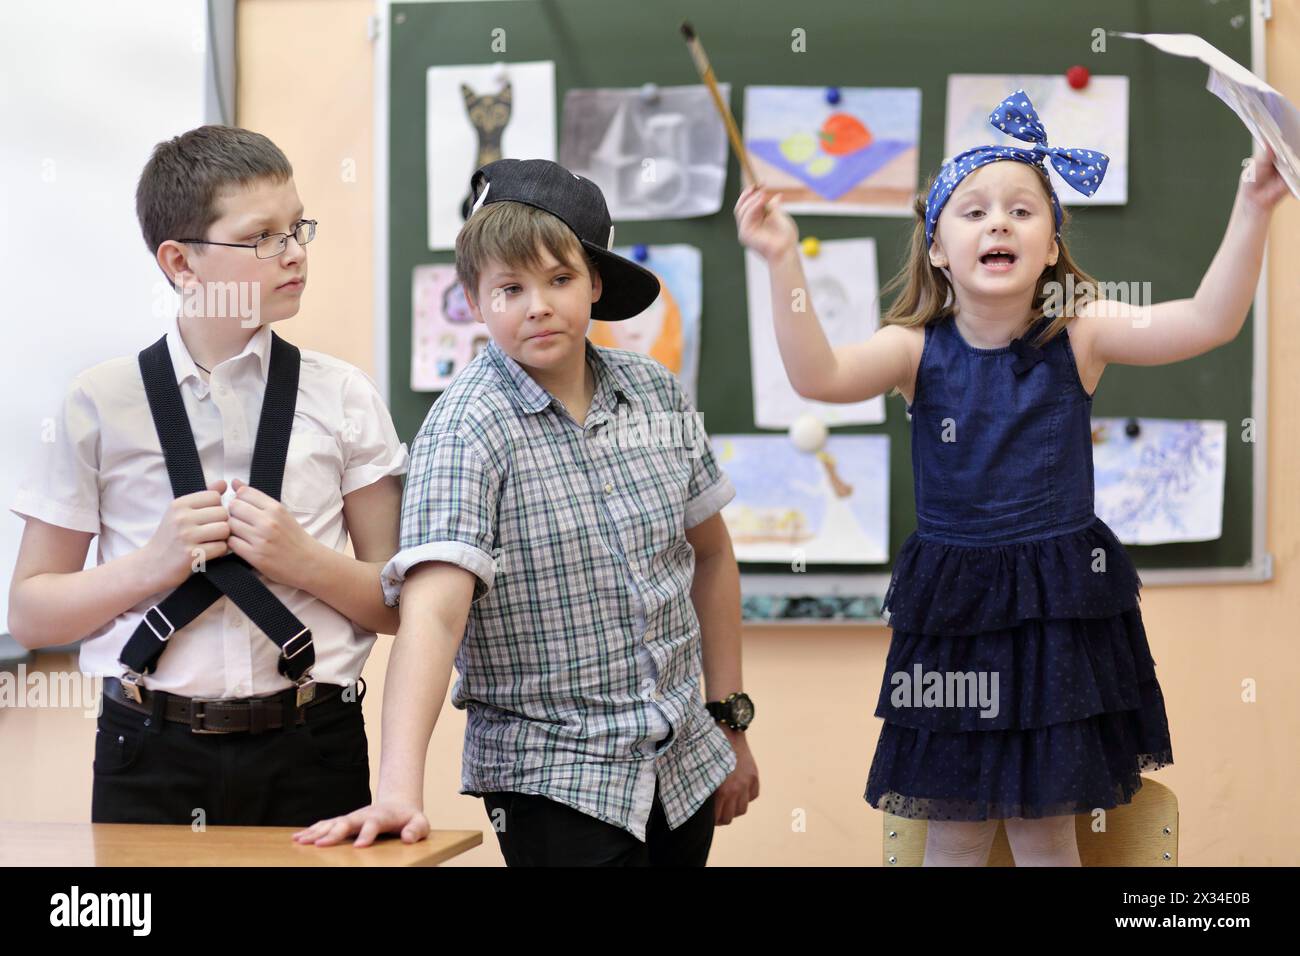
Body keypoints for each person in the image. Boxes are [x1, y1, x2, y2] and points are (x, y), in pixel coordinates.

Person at [736, 89, 1290, 865]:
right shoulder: (913, 349)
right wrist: (780, 258)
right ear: (937, 248)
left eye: (1022, 210)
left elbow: (1209, 319)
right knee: (955, 835)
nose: (998, 221)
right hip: (959, 616)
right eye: (974, 211)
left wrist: (1255, 203)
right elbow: (818, 377)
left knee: (1047, 835)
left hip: (1058, 612)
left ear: (1053, 241)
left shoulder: (1082, 331)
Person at [295, 158, 760, 866]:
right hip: (555, 782)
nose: (536, 305)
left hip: (683, 767)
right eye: (510, 287)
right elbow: (434, 612)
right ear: (477, 302)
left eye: (559, 279)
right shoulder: (467, 427)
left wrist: (730, 720)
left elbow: (713, 554)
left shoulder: (656, 394)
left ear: (595, 283)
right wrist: (398, 788)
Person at [8, 125, 408, 826]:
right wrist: (152, 566)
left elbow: (397, 603)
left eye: (298, 228)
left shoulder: (344, 395)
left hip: (314, 746)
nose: (295, 254)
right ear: (181, 262)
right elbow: (32, 615)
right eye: (263, 237)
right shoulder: (98, 403)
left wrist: (305, 562)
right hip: (148, 751)